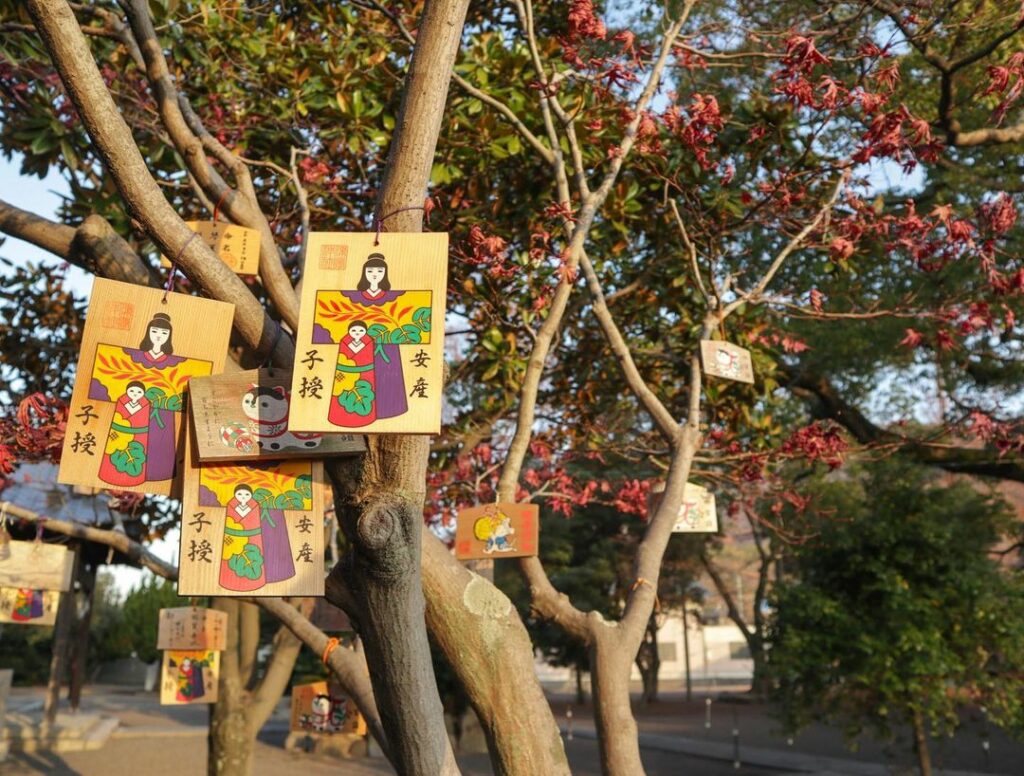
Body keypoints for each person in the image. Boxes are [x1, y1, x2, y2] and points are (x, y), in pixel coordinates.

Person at [98, 380, 150, 486]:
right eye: (132, 391)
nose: (135, 394)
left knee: (138, 459)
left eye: (139, 392)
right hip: (117, 434)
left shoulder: (146, 405)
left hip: (139, 436)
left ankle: (135, 480)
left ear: (143, 394)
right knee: (111, 458)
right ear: (127, 391)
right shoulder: (121, 402)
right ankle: (108, 475)